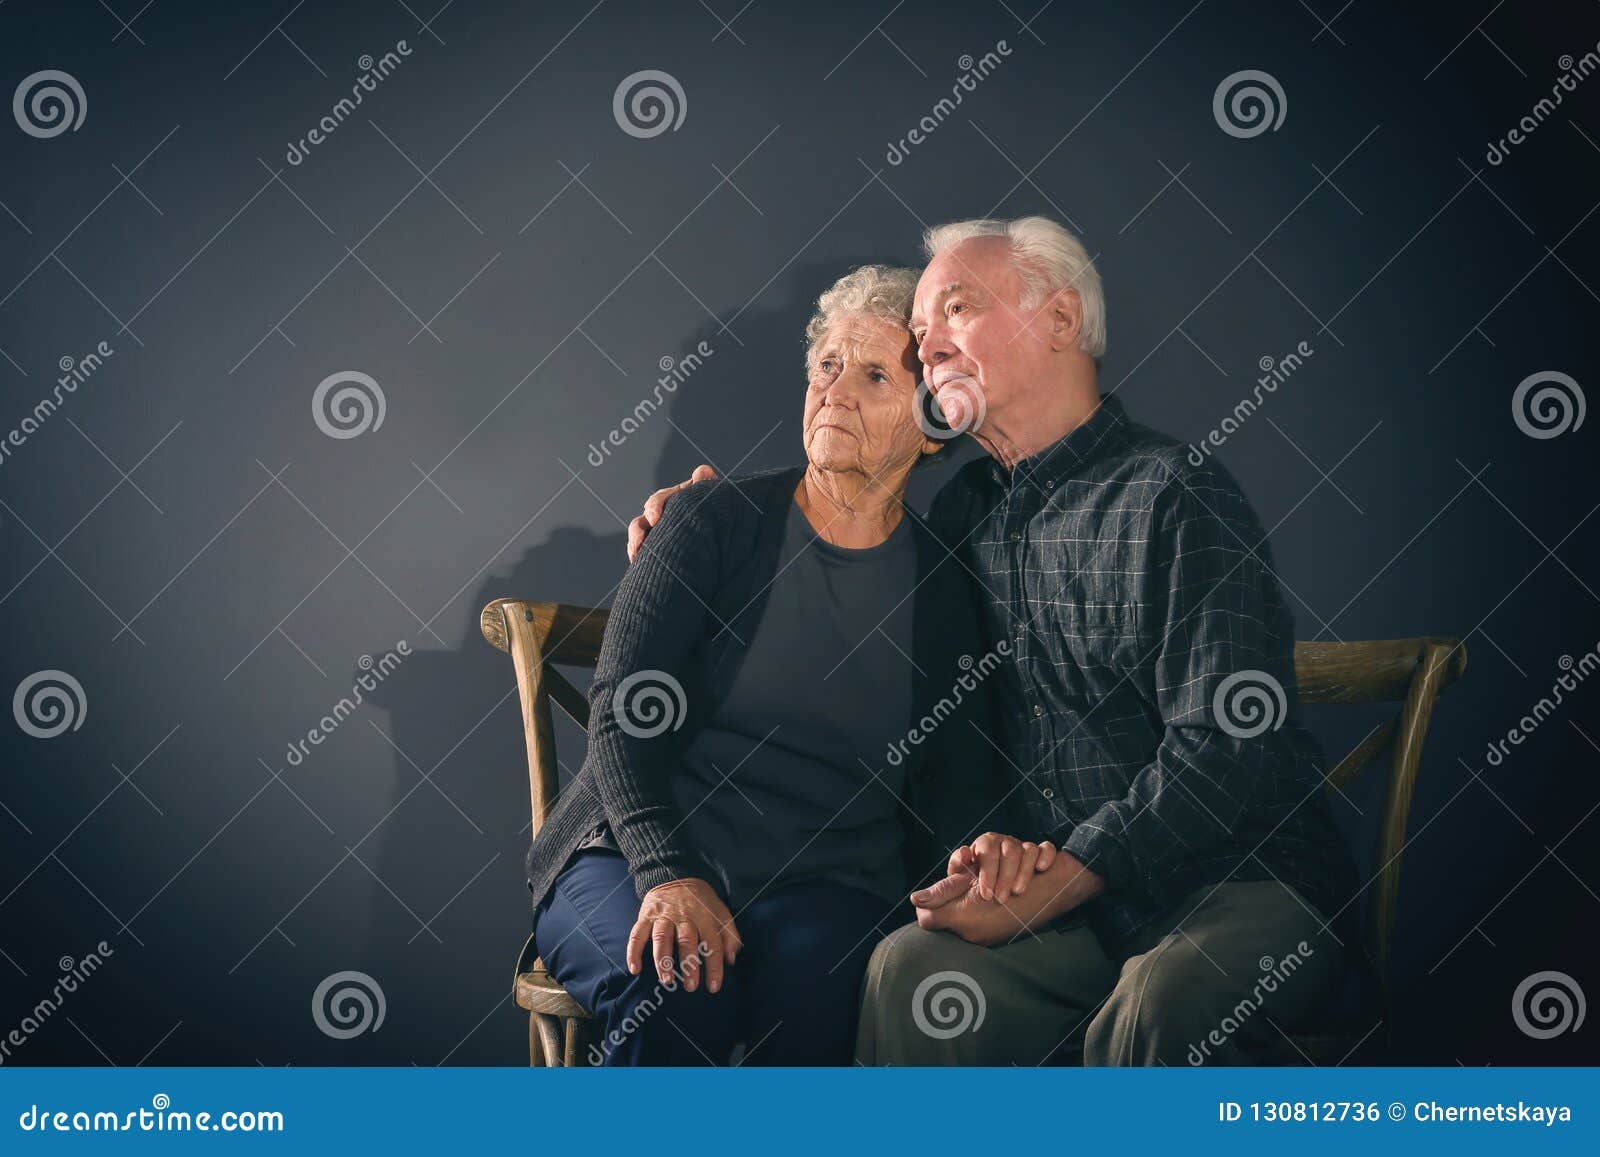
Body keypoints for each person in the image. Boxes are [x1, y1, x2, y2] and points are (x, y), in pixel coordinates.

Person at [628, 216, 1361, 1066]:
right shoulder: (961, 518)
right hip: (1071, 909)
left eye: (956, 309)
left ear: (1057, 321)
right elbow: (838, 557)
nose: (926, 341)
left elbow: (1228, 745)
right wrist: (700, 523)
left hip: (1236, 884)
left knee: (1161, 1002)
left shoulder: (1175, 493)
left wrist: (1076, 865)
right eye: (920, 331)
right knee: (909, 968)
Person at [526, 265, 1005, 1065]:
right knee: (674, 982)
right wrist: (668, 871)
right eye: (826, 367)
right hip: (633, 848)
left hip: (825, 878)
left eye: (874, 373)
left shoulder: (946, 587)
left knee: (826, 994)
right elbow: (618, 714)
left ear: (932, 427)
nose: (836, 391)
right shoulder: (713, 521)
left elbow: (958, 786)